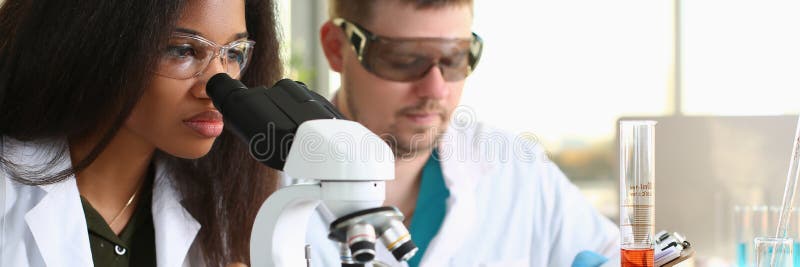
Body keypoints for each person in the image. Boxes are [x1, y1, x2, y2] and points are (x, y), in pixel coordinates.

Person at [299, 0, 621, 266]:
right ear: (336, 48)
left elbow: (613, 253)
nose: (436, 89)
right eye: (405, 59)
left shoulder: (517, 171)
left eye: (455, 58)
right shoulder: (266, 183)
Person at [0, 0, 282, 266]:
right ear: (97, 43)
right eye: (183, 50)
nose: (217, 89)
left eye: (233, 53)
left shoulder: (224, 202)